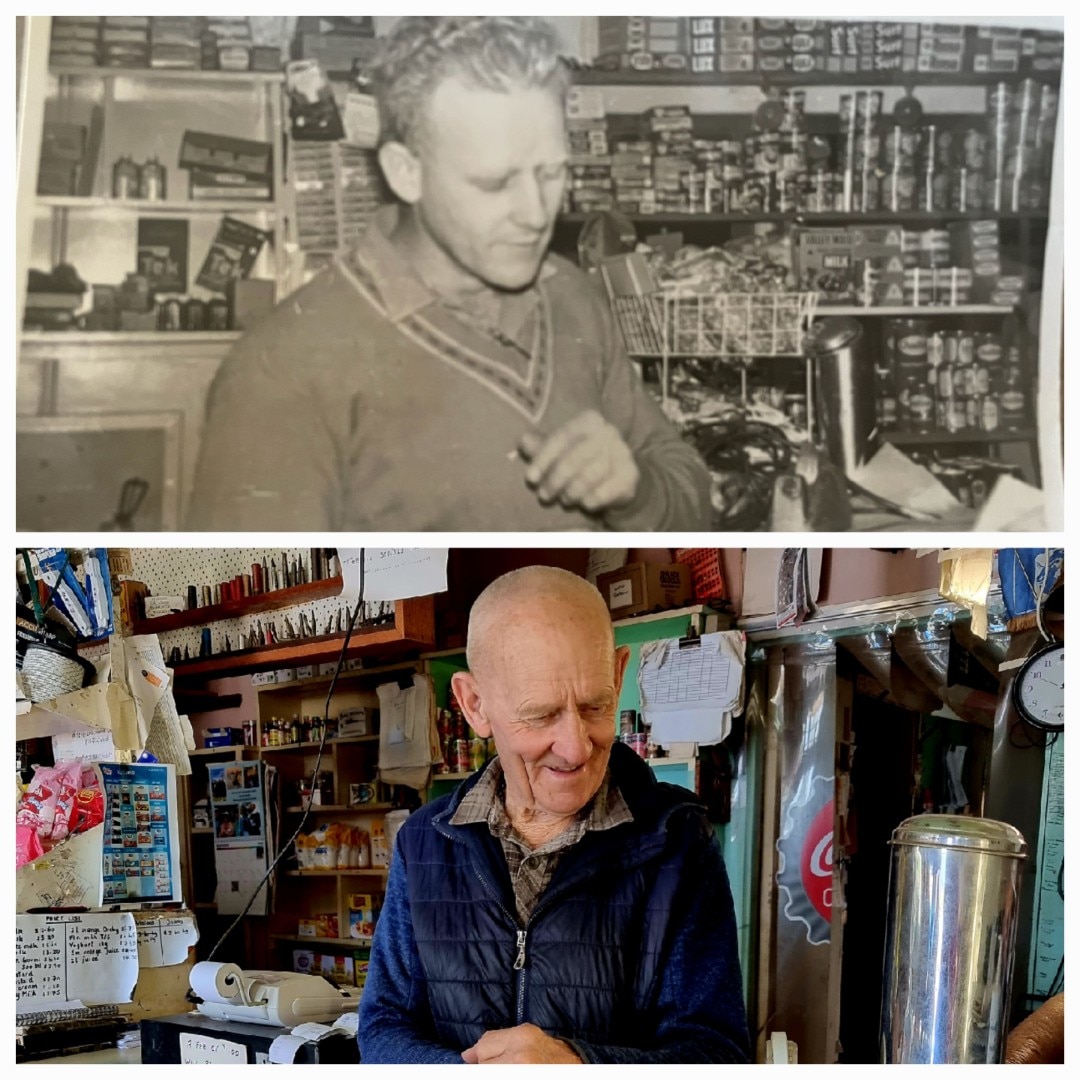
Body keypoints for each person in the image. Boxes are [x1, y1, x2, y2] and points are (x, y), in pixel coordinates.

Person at [186, 16, 712, 532]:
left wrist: (637, 492)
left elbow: (692, 500)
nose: (535, 213)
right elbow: (252, 610)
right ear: (405, 172)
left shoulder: (570, 292)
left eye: (553, 172)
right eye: (493, 182)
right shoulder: (281, 368)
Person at [357, 566, 750, 1064]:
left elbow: (717, 1053)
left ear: (618, 675)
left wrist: (580, 1066)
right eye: (541, 715)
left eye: (594, 706)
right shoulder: (423, 844)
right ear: (474, 705)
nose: (575, 747)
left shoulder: (676, 842)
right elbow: (383, 1024)